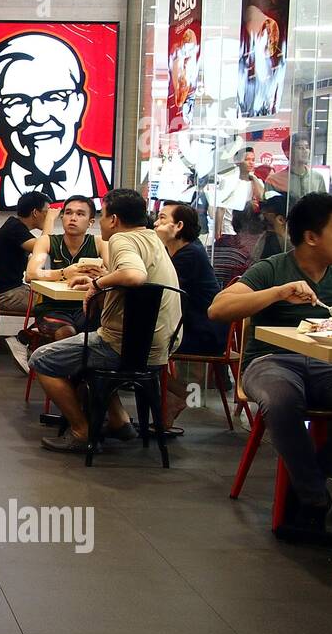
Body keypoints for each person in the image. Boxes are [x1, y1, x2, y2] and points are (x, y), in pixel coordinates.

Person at [209, 193, 332, 529]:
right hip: (269, 361)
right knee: (283, 400)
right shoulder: (273, 268)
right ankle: (315, 497)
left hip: (325, 365)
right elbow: (218, 309)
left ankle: (311, 480)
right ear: (312, 237)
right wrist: (278, 292)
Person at [32, 188, 183, 453]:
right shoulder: (152, 238)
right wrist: (101, 280)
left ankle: (81, 430)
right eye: (68, 213)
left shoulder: (121, 240)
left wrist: (97, 284)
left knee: (42, 359)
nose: (73, 218)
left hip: (124, 347)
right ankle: (119, 419)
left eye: (99, 215)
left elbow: (134, 276)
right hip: (160, 346)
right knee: (79, 351)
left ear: (112, 219)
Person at [0, 30, 113, 208]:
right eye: (17, 101)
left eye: (54, 97)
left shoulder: (110, 184)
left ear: (79, 104)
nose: (38, 117)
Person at [155, 201, 227, 430]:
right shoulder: (184, 251)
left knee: (140, 350)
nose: (156, 223)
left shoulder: (189, 255)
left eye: (162, 218)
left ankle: (179, 396)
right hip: (194, 328)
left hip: (203, 334)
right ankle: (170, 403)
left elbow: (161, 294)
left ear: (178, 226)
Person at [23, 194, 107, 348]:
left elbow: (115, 272)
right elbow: (31, 273)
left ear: (90, 222)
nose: (73, 218)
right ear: (61, 217)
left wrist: (103, 275)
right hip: (52, 308)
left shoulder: (99, 242)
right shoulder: (47, 241)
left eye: (80, 214)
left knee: (98, 332)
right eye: (68, 213)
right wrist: (63, 273)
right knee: (67, 333)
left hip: (86, 307)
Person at [0, 191, 51, 328]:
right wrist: (50, 221)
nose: (48, 216)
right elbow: (43, 247)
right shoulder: (14, 229)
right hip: (4, 296)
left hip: (12, 290)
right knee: (53, 305)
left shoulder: (16, 227)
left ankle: (32, 339)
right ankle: (28, 338)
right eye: (47, 212)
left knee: (55, 301)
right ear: (35, 213)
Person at [214, 146, 263, 239]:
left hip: (248, 229)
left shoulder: (256, 181)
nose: (251, 162)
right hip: (229, 229)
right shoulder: (228, 180)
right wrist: (217, 231)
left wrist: (254, 179)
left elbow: (261, 197)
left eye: (253, 160)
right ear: (238, 162)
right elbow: (220, 208)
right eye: (247, 159)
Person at [267, 133, 326, 202]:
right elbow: (269, 209)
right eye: (300, 148)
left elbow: (324, 204)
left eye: (307, 147)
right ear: (287, 153)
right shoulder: (274, 180)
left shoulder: (317, 177)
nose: (305, 151)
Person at [249, 195, 290, 262]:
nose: (262, 216)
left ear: (280, 219)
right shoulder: (267, 237)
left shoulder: (290, 244)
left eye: (266, 214)